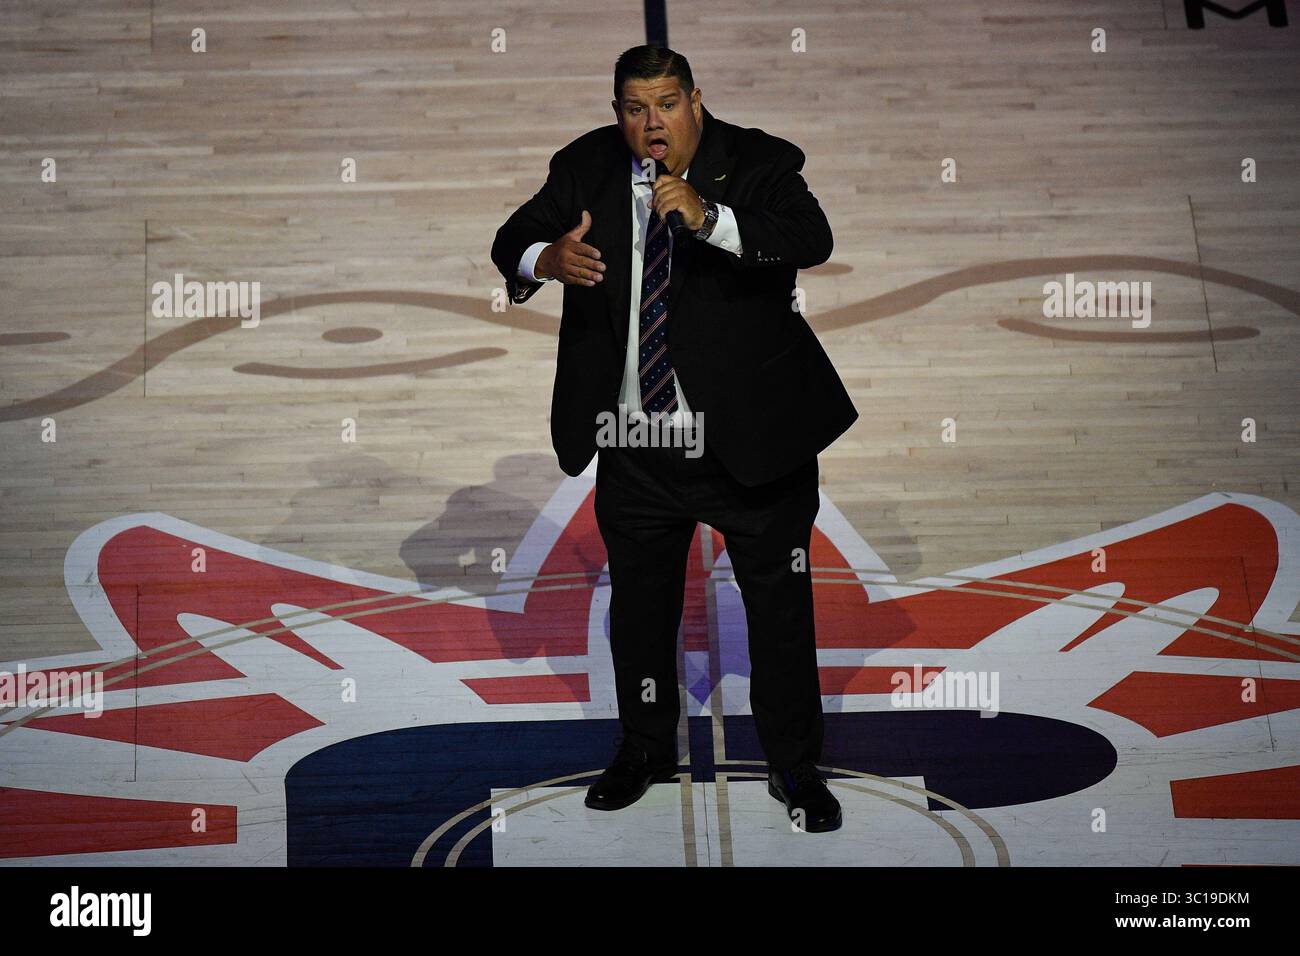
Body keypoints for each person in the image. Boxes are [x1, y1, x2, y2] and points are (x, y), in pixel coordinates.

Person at [490, 45, 858, 832]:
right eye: (632, 107)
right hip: (637, 440)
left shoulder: (757, 161)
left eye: (665, 104)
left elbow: (809, 237)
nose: (649, 123)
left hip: (752, 445)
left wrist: (710, 217)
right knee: (642, 612)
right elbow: (509, 241)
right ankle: (645, 746)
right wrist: (544, 258)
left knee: (780, 614)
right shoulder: (583, 166)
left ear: (695, 99)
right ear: (616, 109)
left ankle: (796, 765)